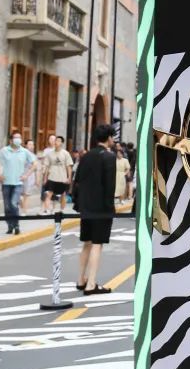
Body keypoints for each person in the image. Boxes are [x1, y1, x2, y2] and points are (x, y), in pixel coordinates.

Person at [72, 123, 118, 294]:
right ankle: (91, 284)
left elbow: (77, 182)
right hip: (101, 208)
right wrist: (110, 208)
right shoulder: (109, 156)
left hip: (86, 207)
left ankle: (80, 280)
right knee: (97, 245)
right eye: (112, 136)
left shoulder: (86, 156)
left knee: (87, 244)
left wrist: (78, 204)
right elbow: (109, 186)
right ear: (109, 138)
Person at [0, 130, 36, 236]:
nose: (18, 139)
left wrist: (26, 175)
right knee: (7, 206)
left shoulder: (24, 152)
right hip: (6, 182)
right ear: (11, 140)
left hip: (18, 183)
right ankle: (10, 225)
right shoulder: (4, 150)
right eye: (16, 137)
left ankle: (16, 225)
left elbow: (35, 163)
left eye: (20, 137)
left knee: (13, 203)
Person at [41, 134, 74, 215]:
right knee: (49, 194)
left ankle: (61, 210)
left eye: (58, 141)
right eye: (55, 140)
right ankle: (47, 210)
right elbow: (47, 166)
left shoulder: (65, 153)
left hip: (62, 178)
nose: (56, 142)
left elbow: (69, 166)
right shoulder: (49, 154)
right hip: (52, 177)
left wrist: (69, 177)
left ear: (62, 143)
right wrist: (45, 178)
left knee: (63, 194)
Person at [115, 142, 131, 210]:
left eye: (119, 153)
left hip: (121, 175)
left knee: (121, 188)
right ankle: (116, 199)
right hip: (115, 174)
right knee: (115, 187)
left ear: (122, 154)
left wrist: (125, 173)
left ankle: (121, 199)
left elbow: (128, 168)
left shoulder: (125, 160)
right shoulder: (115, 160)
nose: (118, 154)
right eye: (117, 153)